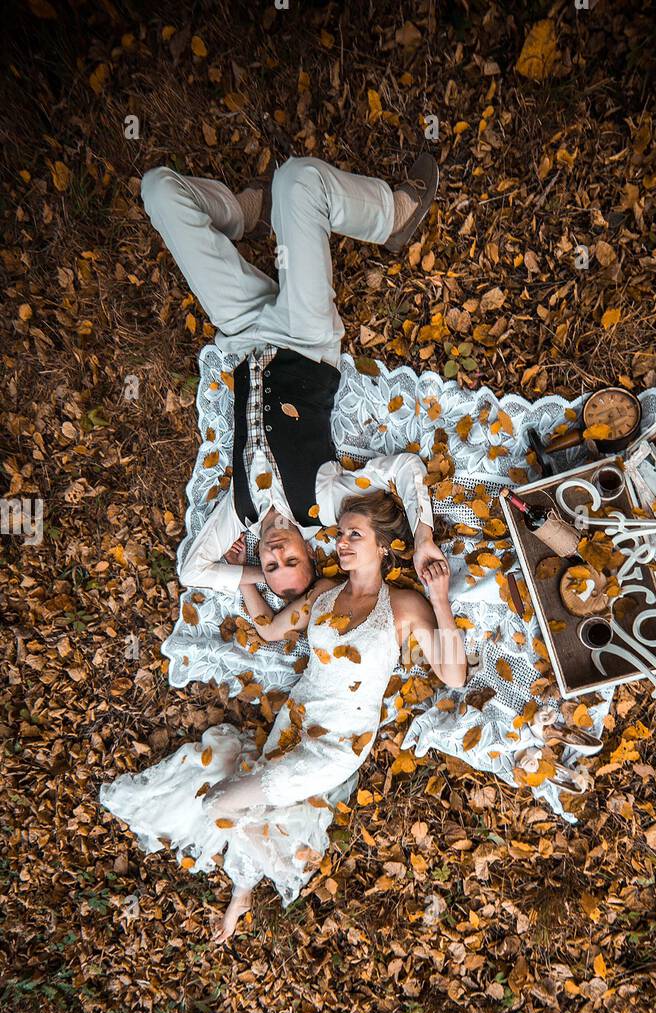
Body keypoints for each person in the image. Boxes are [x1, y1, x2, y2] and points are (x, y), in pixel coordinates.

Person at [100, 491, 467, 944]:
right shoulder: (323, 594)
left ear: (384, 546)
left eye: (356, 534)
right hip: (297, 719)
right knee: (256, 804)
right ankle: (243, 890)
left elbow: (452, 674)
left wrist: (440, 597)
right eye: (340, 534)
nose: (343, 543)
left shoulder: (404, 606)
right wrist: (243, 578)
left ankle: (242, 890)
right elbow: (270, 630)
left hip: (339, 745)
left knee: (218, 801)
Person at [139, 150, 445, 600]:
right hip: (305, 340)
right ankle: (394, 217)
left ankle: (244, 213)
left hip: (242, 334)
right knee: (298, 179)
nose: (278, 552)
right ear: (310, 548)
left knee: (158, 190)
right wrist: (423, 537)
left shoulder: (239, 512)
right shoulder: (323, 504)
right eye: (293, 560)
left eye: (270, 563)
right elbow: (405, 467)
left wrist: (261, 580)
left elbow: (192, 571)